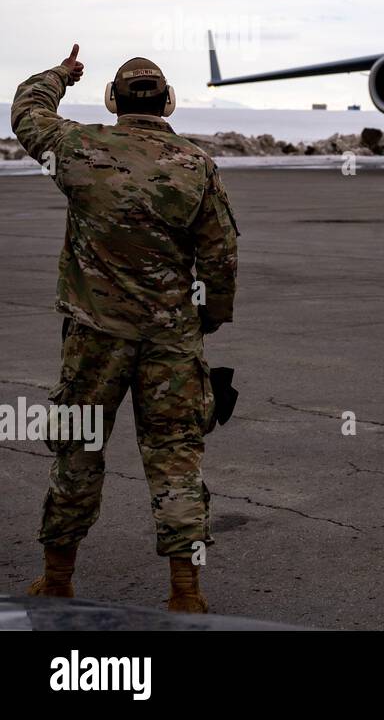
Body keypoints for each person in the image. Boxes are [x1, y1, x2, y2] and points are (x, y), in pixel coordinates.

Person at [11, 46, 238, 613]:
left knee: (78, 451)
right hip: (171, 339)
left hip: (94, 337)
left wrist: (61, 75)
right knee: (176, 457)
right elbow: (220, 258)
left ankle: (58, 579)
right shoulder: (196, 165)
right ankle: (185, 591)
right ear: (169, 103)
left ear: (112, 102)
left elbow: (25, 109)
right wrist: (207, 318)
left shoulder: (79, 148)